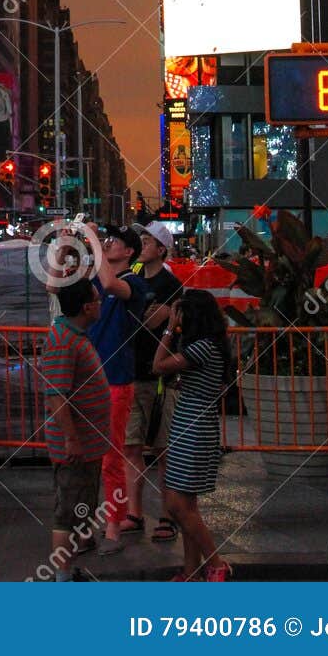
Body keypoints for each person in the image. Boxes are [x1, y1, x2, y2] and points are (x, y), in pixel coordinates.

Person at [154, 288, 231, 582]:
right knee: (187, 506)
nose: (179, 317)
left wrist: (169, 330)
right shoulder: (213, 344)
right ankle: (191, 571)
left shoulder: (202, 347)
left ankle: (215, 562)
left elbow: (158, 366)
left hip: (194, 428)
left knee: (176, 504)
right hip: (194, 424)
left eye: (181, 312)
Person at [42, 277, 111, 581]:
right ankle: (62, 578)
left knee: (78, 509)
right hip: (76, 447)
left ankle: (68, 570)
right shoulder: (62, 341)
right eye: (97, 299)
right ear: (86, 307)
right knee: (67, 514)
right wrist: (72, 438)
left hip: (88, 444)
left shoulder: (75, 335)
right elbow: (56, 395)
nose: (101, 304)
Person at [87, 224, 147, 551]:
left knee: (112, 456)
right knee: (84, 456)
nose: (108, 243)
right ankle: (84, 527)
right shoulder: (97, 278)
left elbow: (111, 283)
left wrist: (90, 235)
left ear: (128, 252)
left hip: (115, 379)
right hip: (89, 378)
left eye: (115, 241)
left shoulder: (133, 283)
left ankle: (114, 524)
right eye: (106, 239)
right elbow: (57, 287)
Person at [124, 221, 184, 544]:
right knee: (131, 446)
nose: (143, 244)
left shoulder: (170, 284)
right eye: (142, 239)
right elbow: (139, 319)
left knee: (163, 450)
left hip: (159, 377)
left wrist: (148, 317)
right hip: (133, 373)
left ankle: (166, 515)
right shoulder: (131, 281)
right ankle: (134, 513)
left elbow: (158, 321)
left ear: (161, 249)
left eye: (148, 240)